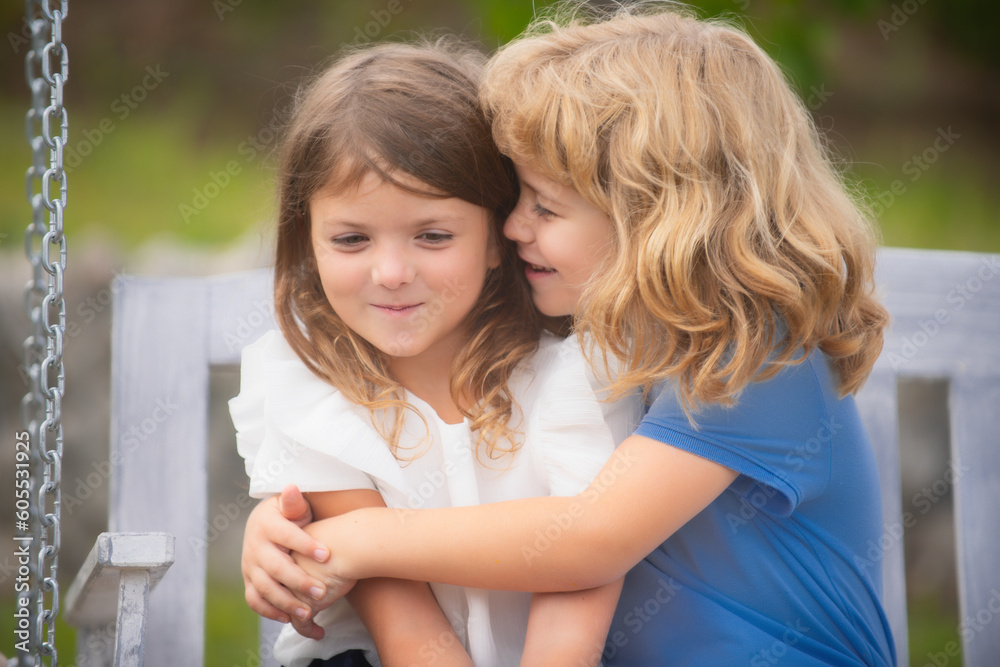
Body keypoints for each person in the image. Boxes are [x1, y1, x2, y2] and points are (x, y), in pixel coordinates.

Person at [242, 5, 897, 665]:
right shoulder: (617, 339)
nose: (512, 225)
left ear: (653, 219)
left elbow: (588, 538)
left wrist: (356, 537)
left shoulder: (757, 350)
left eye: (543, 206)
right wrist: (285, 520)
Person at [230, 39, 638, 667]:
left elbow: (581, 573)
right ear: (307, 242)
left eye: (433, 235)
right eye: (351, 238)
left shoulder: (572, 377)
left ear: (500, 237)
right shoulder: (309, 386)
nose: (391, 272)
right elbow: (406, 630)